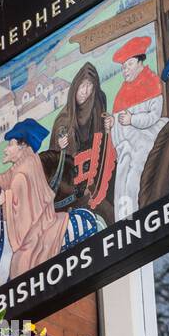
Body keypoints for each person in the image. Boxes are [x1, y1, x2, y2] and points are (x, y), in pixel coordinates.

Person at [0, 120, 72, 278]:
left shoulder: (24, 171)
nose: (5, 150)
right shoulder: (22, 166)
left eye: (10, 144)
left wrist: (6, 199)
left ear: (22, 146)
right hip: (35, 224)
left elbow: (24, 207)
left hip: (37, 230)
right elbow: (1, 181)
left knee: (21, 264)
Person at [46, 63, 116, 223]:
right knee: (106, 211)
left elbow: (103, 134)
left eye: (89, 86)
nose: (85, 91)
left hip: (99, 167)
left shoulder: (98, 102)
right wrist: (61, 144)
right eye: (82, 86)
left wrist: (109, 126)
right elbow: (56, 161)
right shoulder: (64, 119)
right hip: (75, 181)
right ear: (75, 87)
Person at [109, 35, 168, 221]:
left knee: (136, 168)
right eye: (123, 67)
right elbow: (118, 120)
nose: (124, 71)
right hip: (126, 142)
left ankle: (135, 213)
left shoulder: (152, 82)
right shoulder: (122, 91)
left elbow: (153, 116)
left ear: (138, 62)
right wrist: (113, 124)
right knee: (122, 173)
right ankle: (122, 217)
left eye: (128, 65)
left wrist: (132, 119)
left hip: (147, 135)